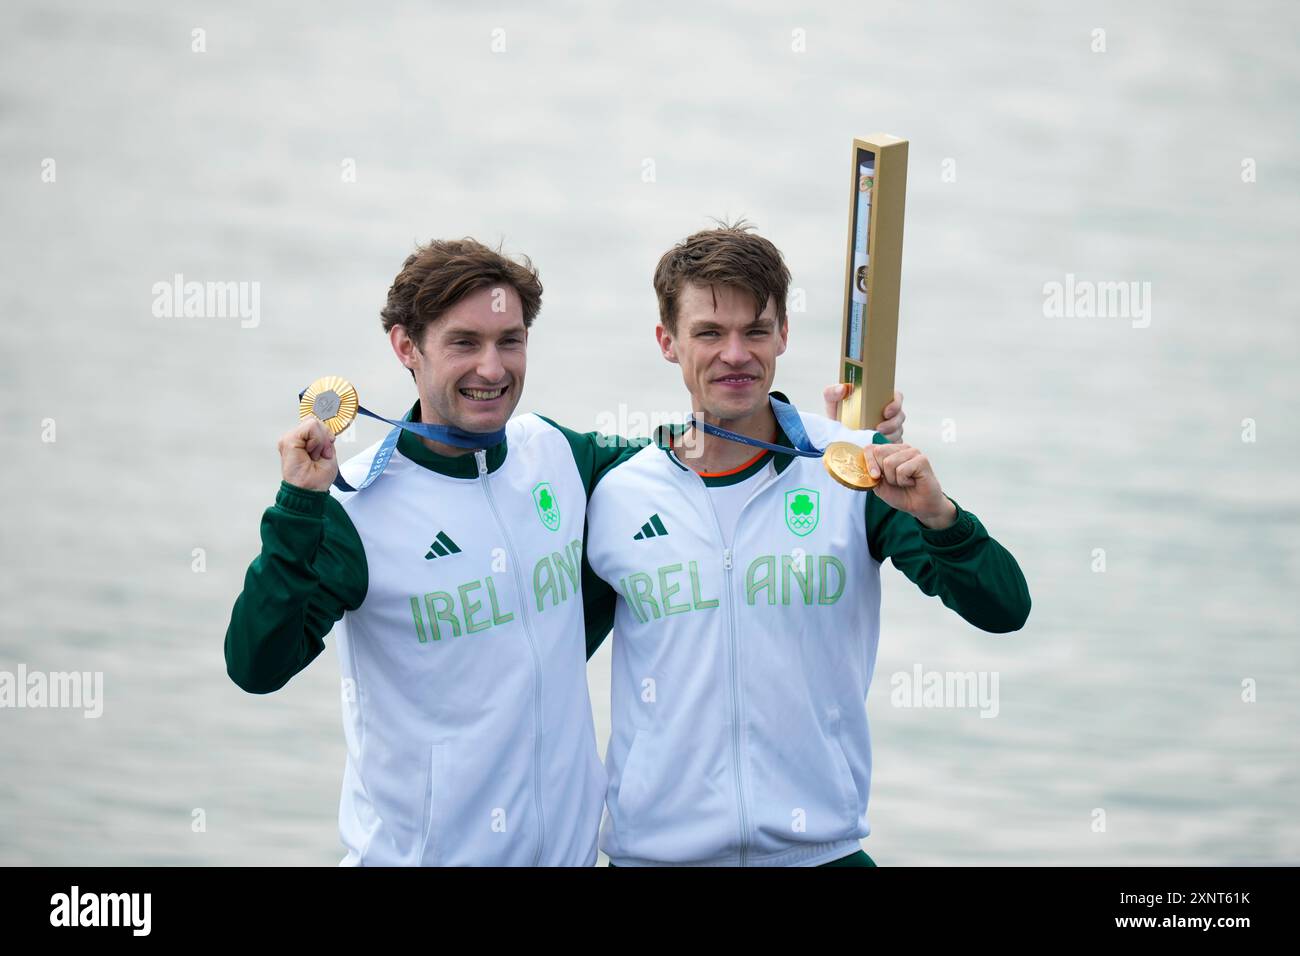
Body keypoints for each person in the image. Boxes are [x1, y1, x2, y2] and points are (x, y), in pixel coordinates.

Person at [224, 236, 906, 865]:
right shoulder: (351, 506)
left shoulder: (556, 457)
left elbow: (706, 455)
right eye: (464, 343)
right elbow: (257, 664)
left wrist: (835, 439)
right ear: (406, 347)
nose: (491, 368)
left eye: (509, 340)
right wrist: (297, 508)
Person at [584, 223, 1031, 867]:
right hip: (654, 857)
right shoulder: (620, 492)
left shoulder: (851, 467)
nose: (735, 353)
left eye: (755, 331)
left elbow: (1004, 609)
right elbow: (545, 662)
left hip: (821, 854)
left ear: (784, 335)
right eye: (709, 332)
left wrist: (940, 515)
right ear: (667, 341)